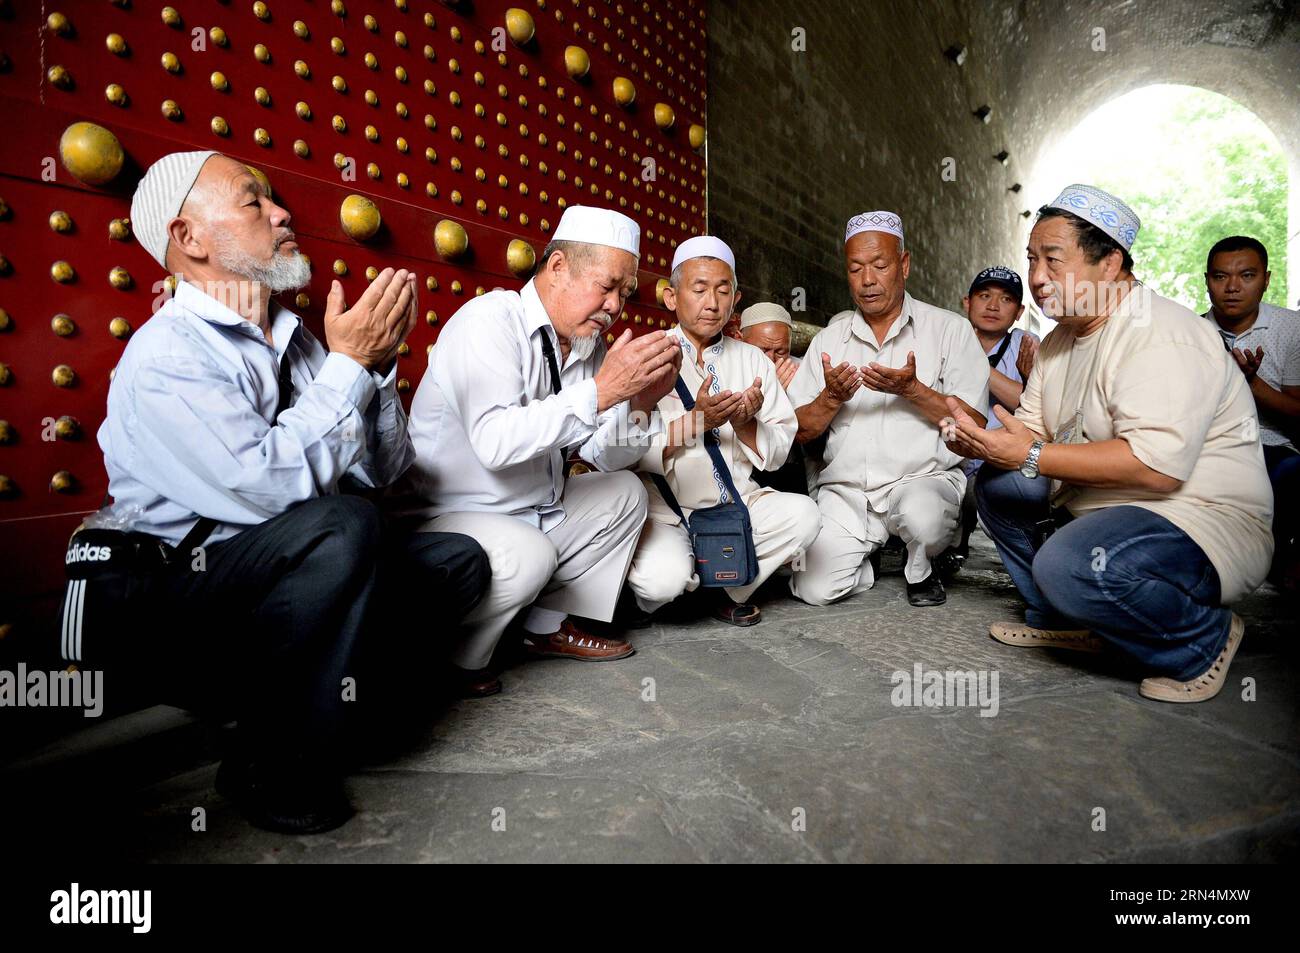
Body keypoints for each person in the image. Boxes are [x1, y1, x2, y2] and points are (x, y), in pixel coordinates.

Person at [100, 151, 490, 834]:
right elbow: (267, 492)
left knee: (459, 562)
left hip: (283, 579)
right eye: (254, 202)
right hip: (180, 603)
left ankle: (341, 713)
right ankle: (266, 758)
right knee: (340, 528)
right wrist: (347, 367)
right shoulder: (168, 354)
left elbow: (385, 471)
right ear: (189, 239)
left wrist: (374, 370)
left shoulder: (298, 341)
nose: (283, 214)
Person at [947, 184, 1273, 704]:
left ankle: (1199, 638)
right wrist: (981, 437)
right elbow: (1028, 433)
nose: (1036, 277)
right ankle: (1075, 619)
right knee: (1001, 481)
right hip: (1106, 510)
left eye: (1054, 260)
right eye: (1032, 259)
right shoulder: (1058, 341)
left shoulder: (1161, 332)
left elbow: (1156, 468)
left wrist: (1028, 454)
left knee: (1070, 562)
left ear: (1110, 263)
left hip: (1196, 518)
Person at [395, 205, 682, 696]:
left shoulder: (586, 346)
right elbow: (494, 441)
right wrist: (602, 393)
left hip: (532, 510)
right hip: (454, 517)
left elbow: (602, 455)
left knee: (624, 493)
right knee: (529, 553)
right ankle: (458, 661)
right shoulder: (488, 321)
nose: (615, 306)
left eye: (625, 293)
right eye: (607, 286)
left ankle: (543, 630)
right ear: (557, 268)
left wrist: (639, 403)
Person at [787, 210, 990, 607]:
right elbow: (797, 431)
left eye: (880, 265)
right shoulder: (828, 341)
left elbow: (975, 425)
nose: (867, 280)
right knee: (814, 588)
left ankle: (924, 563)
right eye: (856, 268)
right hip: (848, 492)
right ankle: (870, 558)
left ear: (904, 264)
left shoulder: (949, 330)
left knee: (925, 520)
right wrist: (829, 399)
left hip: (920, 481)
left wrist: (914, 390)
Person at [625, 238, 820, 625]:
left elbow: (779, 451)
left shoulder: (753, 360)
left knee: (805, 515)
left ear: (736, 299)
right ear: (670, 296)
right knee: (660, 583)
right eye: (698, 289)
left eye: (722, 290)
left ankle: (725, 591)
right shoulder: (646, 356)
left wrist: (745, 422)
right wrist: (698, 421)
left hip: (737, 504)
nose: (711, 302)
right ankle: (684, 583)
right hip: (665, 512)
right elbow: (624, 447)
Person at [1203, 235, 1300, 590]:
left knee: (1292, 473)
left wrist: (1251, 383)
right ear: (1207, 281)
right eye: (1220, 276)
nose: (1232, 287)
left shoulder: (1291, 329)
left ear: (1267, 279)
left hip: (1273, 446)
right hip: (1211, 446)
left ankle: (1276, 558)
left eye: (1246, 276)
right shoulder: (1192, 333)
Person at [956, 266, 1039, 558]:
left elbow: (1027, 403)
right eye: (985, 295)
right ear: (967, 302)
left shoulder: (1025, 344)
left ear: (1018, 312)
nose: (993, 306)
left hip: (1001, 458)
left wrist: (977, 364)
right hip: (954, 453)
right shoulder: (949, 336)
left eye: (1006, 299)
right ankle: (950, 547)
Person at [740, 302, 809, 495]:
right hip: (747, 471)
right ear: (739, 339)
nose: (771, 360)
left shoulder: (798, 368)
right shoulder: (729, 366)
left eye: (780, 351)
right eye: (762, 351)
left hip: (791, 467)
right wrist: (773, 391)